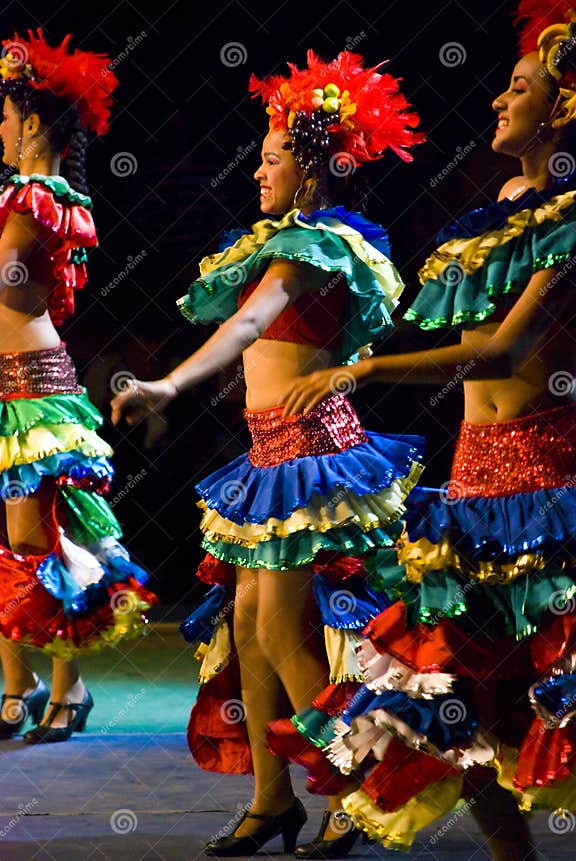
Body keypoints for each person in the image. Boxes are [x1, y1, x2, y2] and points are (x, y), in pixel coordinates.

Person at [275, 5, 576, 860]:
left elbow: (500, 349)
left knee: (547, 684)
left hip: (548, 487)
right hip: (477, 484)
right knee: (457, 698)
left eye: (519, 90)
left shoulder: (569, 220)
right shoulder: (498, 214)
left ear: (562, 112)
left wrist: (366, 371)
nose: (496, 104)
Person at [111, 49, 424, 857]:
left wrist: (170, 385)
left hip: (309, 457)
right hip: (268, 454)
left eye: (273, 157)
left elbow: (248, 325)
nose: (257, 171)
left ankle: (358, 788)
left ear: (315, 169)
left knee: (285, 632)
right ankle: (272, 798)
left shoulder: (314, 246)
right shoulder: (285, 240)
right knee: (250, 628)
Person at [0, 30, 156, 745]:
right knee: (14, 542)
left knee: (42, 544)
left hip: (31, 389)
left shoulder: (39, 198)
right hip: (13, 384)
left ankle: (69, 680)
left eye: (4, 116)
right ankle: (18, 683)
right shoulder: (23, 195)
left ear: (32, 123)